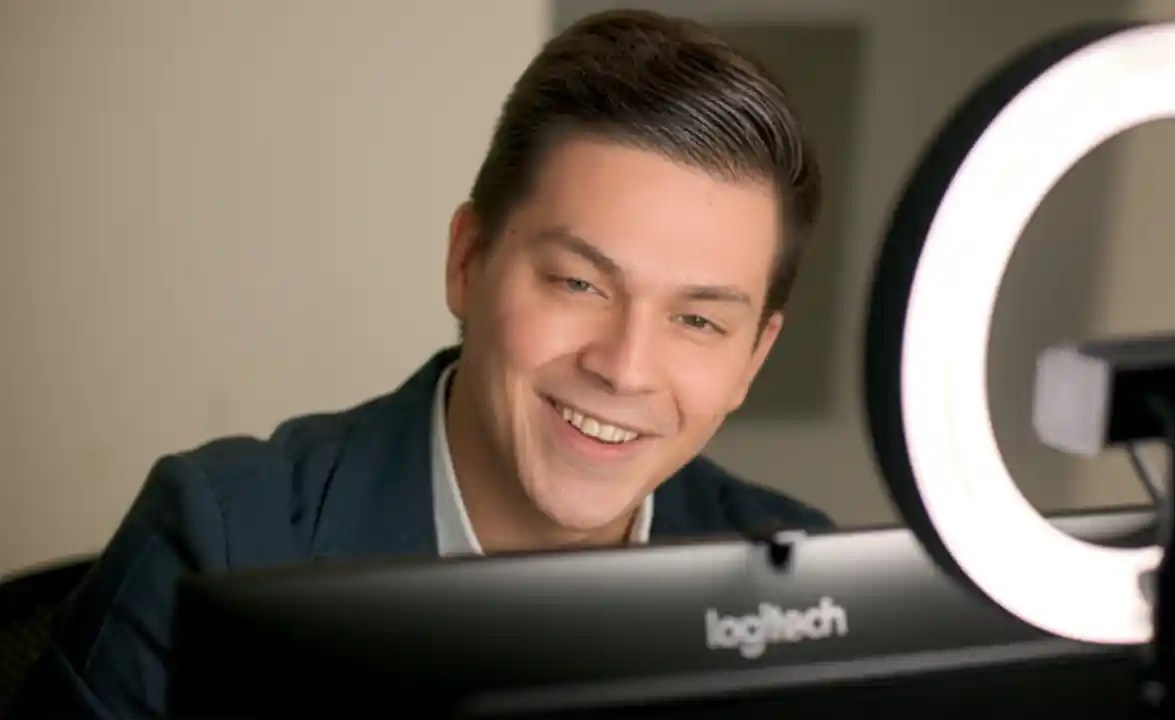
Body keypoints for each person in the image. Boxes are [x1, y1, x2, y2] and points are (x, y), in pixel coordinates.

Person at [13, 8, 829, 719]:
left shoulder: (809, 589)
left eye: (696, 319)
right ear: (467, 263)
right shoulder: (214, 539)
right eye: (579, 282)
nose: (625, 367)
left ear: (753, 356)